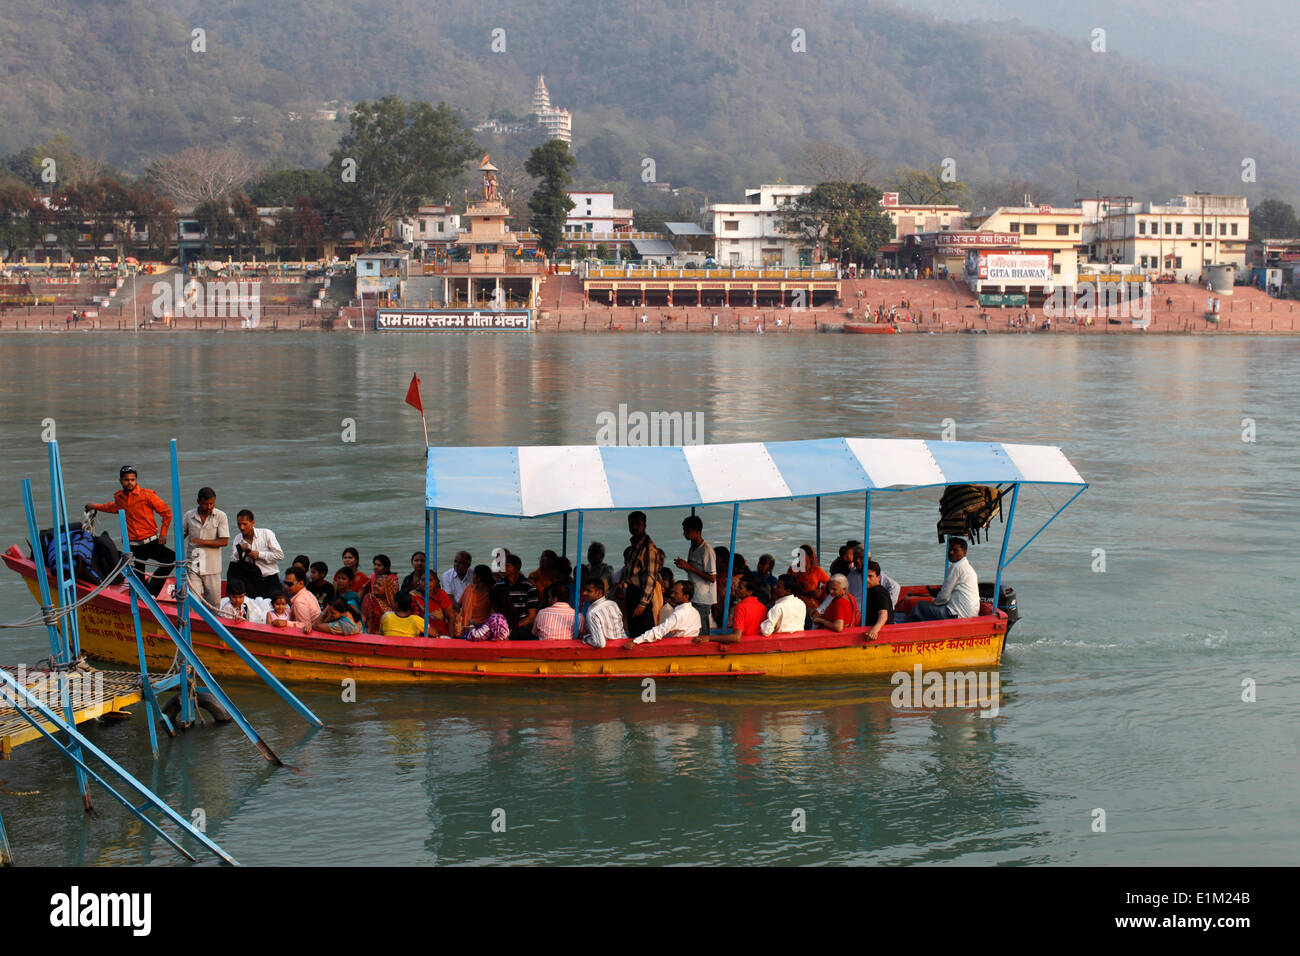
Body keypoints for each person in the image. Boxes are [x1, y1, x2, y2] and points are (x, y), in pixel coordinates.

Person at [86, 466, 174, 596]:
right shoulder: (119, 497)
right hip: (133, 546)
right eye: (126, 479)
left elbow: (166, 513)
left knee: (172, 559)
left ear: (136, 480)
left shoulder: (147, 495)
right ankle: (143, 597)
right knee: (138, 580)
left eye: (132, 479)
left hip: (150, 541)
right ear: (121, 480)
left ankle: (152, 589)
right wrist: (95, 506)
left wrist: (163, 534)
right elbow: (114, 508)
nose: (130, 482)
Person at [900, 538, 978, 621]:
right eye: (950, 549)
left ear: (964, 552)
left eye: (955, 550)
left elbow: (944, 597)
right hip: (971, 614)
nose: (951, 553)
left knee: (920, 606)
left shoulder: (957, 567)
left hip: (957, 615)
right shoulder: (967, 567)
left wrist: (935, 601)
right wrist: (937, 593)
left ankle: (906, 625)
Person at [181, 487, 229, 609]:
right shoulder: (188, 516)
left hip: (212, 567)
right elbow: (180, 536)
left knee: (214, 605)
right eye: (205, 504)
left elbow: (224, 541)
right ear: (198, 501)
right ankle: (192, 626)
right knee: (193, 602)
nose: (209, 507)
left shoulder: (220, 516)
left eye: (212, 504)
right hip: (193, 566)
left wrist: (202, 542)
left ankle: (212, 627)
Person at [619, 511, 664, 634]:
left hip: (641, 595)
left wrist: (642, 604)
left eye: (637, 524)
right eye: (631, 523)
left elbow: (650, 578)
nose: (633, 527)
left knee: (643, 632)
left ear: (644, 525)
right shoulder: (634, 547)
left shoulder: (648, 548)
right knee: (634, 631)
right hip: (632, 592)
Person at [696, 571, 765, 645]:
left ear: (750, 592)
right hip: (755, 644)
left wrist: (709, 637)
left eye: (740, 588)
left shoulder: (741, 607)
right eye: (738, 586)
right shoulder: (763, 607)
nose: (736, 589)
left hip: (742, 646)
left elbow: (736, 637)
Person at [625, 580, 701, 647]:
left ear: (686, 596)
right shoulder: (695, 612)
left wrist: (635, 641)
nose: (672, 595)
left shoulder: (678, 614)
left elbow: (659, 631)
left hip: (680, 648)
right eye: (672, 592)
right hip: (691, 647)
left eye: (676, 593)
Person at [229, 509, 283, 598]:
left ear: (252, 522)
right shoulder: (237, 539)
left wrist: (259, 555)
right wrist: (240, 550)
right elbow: (234, 560)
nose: (241, 527)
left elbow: (279, 555)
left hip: (270, 580)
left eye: (244, 524)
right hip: (250, 582)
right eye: (239, 524)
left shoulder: (266, 534)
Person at [675, 515, 717, 630]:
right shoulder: (692, 548)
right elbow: (693, 570)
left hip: (703, 597)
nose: (684, 534)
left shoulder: (706, 550)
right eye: (684, 531)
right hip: (694, 594)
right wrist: (684, 566)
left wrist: (690, 567)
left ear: (697, 531)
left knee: (702, 629)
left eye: (687, 531)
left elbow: (712, 577)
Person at [493, 552, 539, 639]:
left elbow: (531, 617)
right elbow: (493, 611)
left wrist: (513, 627)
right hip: (502, 626)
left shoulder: (528, 586)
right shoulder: (498, 586)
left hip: (522, 626)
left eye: (507, 565)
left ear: (517, 567)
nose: (503, 567)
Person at [579, 576, 626, 649]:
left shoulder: (592, 612)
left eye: (588, 591)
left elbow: (600, 643)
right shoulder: (613, 604)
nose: (584, 593)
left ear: (599, 593)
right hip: (623, 645)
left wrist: (586, 638)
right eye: (584, 590)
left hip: (610, 651)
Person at [361, 555, 399, 632]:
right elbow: (363, 619)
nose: (375, 586)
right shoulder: (370, 598)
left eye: (379, 565)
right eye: (375, 584)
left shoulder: (393, 602)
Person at [862, 560, 895, 641]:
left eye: (870, 576)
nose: (866, 580)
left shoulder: (879, 592)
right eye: (864, 576)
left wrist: (874, 630)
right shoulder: (868, 590)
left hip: (883, 633)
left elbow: (883, 614)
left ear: (878, 578)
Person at [282, 565, 321, 631]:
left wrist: (286, 623)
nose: (285, 586)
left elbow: (305, 625)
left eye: (289, 584)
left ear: (301, 583)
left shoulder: (299, 602)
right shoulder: (308, 593)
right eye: (285, 583)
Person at [461, 564, 494, 628]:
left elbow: (493, 615)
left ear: (478, 578)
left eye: (473, 574)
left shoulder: (492, 593)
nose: (472, 576)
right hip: (467, 625)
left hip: (485, 627)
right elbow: (459, 605)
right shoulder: (469, 588)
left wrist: (477, 623)